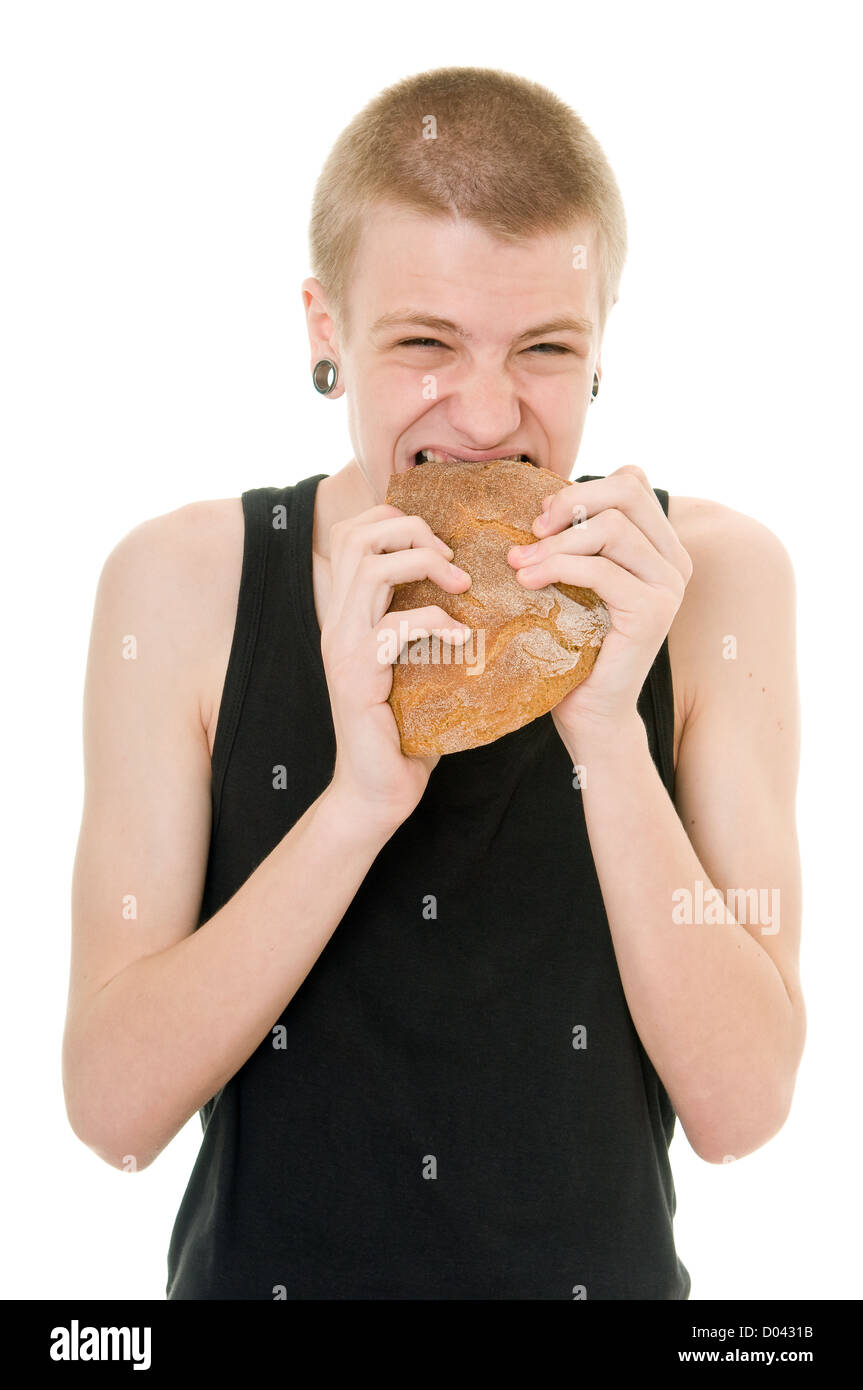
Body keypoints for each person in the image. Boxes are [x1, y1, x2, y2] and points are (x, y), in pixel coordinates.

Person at [62, 65, 806, 1300]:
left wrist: (607, 732)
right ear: (325, 333)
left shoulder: (718, 582)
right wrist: (360, 797)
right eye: (423, 342)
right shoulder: (180, 584)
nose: (484, 414)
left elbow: (741, 1111)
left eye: (545, 348)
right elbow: (112, 1112)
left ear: (601, 339)